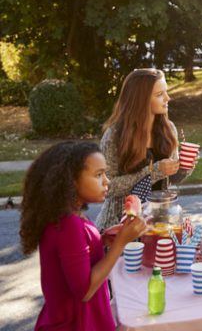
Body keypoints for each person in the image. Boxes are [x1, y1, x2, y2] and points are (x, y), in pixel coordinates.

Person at [19, 141, 148, 330]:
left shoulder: (69, 216)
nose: (107, 181)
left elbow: (75, 256)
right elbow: (85, 290)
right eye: (98, 175)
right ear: (71, 180)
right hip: (76, 324)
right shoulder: (68, 224)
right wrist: (121, 243)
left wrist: (102, 240)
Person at [95, 69, 189, 230]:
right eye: (160, 94)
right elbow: (108, 187)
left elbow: (170, 180)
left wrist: (184, 168)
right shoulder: (115, 135)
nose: (168, 98)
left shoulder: (168, 129)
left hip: (158, 224)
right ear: (141, 100)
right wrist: (154, 171)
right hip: (119, 226)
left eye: (166, 92)